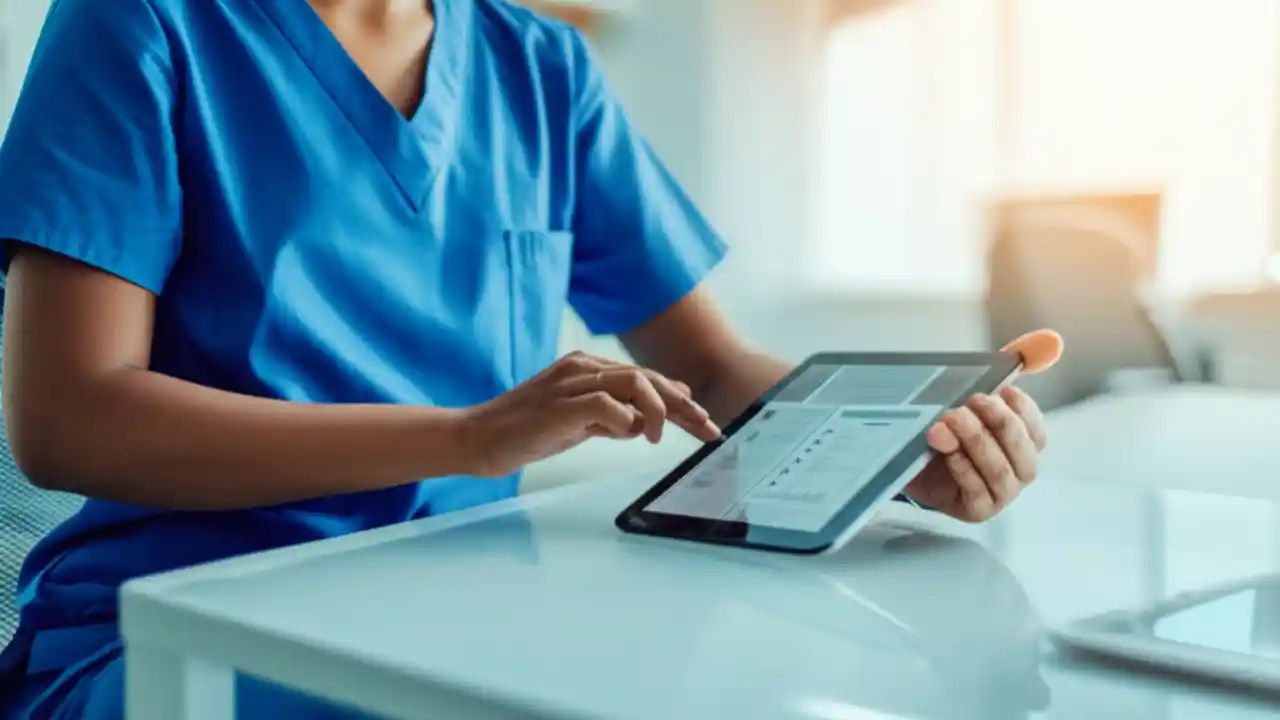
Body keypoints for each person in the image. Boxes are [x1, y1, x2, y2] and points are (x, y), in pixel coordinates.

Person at [0, 0, 1049, 717]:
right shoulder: (143, 23)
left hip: (471, 620)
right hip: (174, 628)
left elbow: (715, 372)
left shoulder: (538, 67)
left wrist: (893, 449)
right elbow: (68, 421)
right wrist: (470, 436)